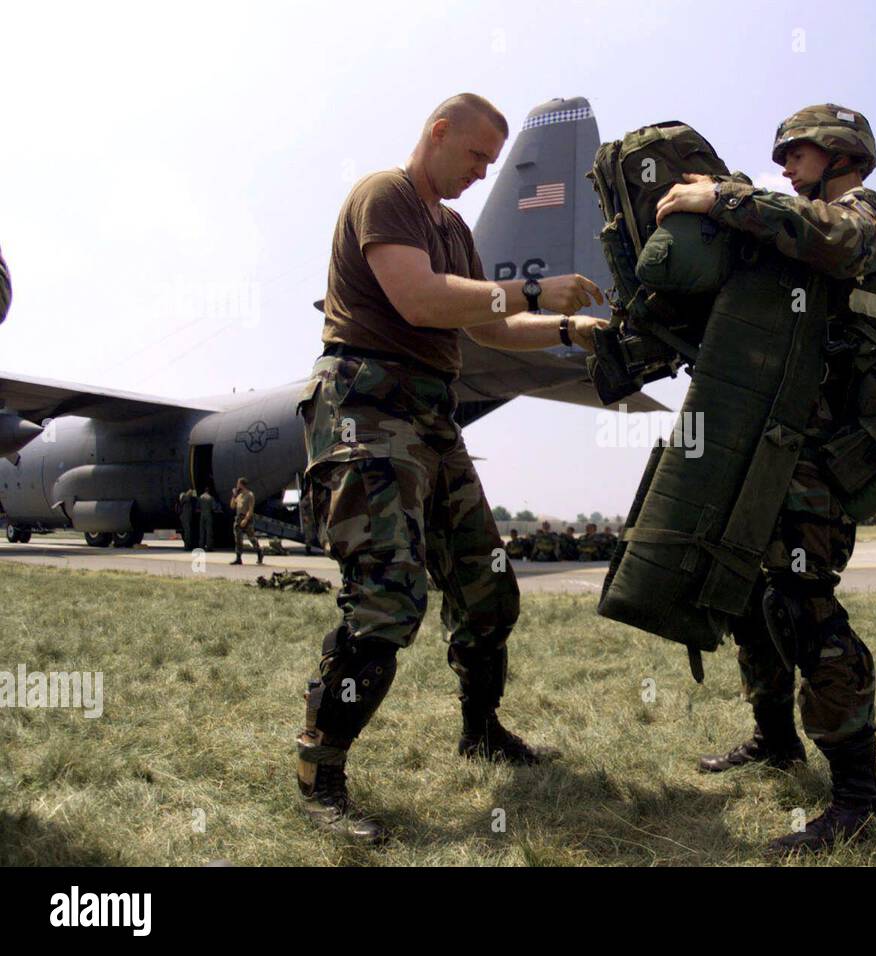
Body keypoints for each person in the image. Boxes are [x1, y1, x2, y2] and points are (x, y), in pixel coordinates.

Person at [294, 92, 606, 842]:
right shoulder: (385, 196)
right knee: (388, 600)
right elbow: (420, 299)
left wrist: (570, 327)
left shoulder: (454, 229)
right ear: (438, 133)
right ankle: (320, 774)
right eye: (475, 156)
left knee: (487, 589)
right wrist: (534, 287)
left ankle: (481, 730)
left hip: (430, 417)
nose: (481, 172)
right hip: (366, 408)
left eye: (492, 163)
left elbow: (493, 328)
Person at [655, 104, 876, 854]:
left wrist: (724, 198)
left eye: (795, 156)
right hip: (786, 445)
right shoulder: (803, 218)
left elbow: (832, 238)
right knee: (757, 596)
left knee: (802, 604)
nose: (787, 170)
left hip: (829, 457)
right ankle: (775, 741)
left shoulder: (862, 215)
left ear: (837, 154)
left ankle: (861, 799)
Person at [229, 477, 264, 565]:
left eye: (238, 483)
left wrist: (246, 519)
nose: (237, 485)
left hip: (246, 518)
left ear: (241, 484)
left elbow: (250, 509)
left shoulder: (250, 495)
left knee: (251, 538)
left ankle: (259, 552)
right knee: (238, 539)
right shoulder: (239, 495)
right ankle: (238, 558)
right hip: (238, 518)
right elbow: (232, 506)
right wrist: (234, 495)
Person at [197, 486, 218, 551]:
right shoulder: (210, 498)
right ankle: (209, 547)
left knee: (202, 531)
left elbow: (198, 507)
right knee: (209, 531)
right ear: (208, 491)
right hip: (208, 515)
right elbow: (214, 507)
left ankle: (201, 546)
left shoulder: (201, 497)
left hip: (202, 515)